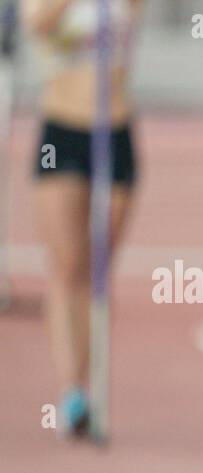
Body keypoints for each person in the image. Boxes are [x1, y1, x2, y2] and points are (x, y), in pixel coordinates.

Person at [24, 0, 142, 437]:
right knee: (67, 263)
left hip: (115, 129)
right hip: (63, 131)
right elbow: (37, 25)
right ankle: (70, 387)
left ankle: (92, 383)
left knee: (97, 266)